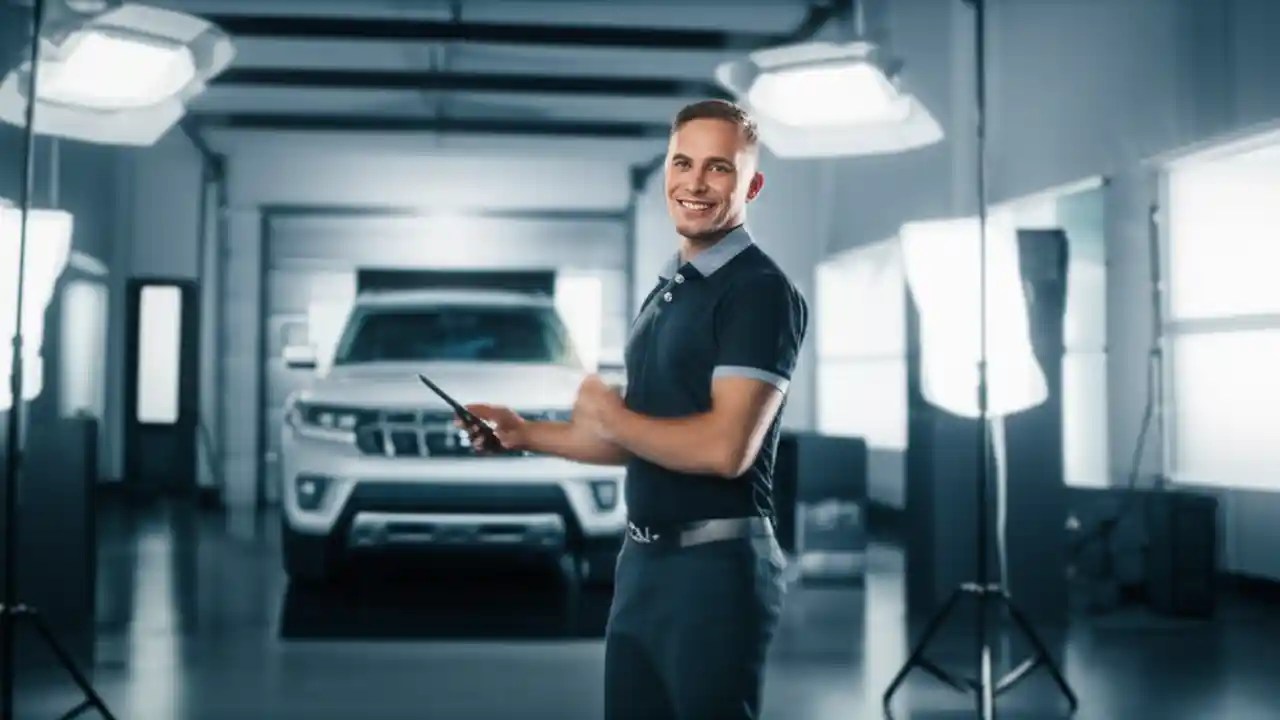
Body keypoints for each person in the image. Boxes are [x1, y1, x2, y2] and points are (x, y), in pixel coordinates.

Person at [460, 98, 808, 720]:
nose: (695, 182)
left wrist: (608, 412)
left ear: (751, 183)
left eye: (718, 168)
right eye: (682, 162)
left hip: (714, 569)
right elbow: (648, 436)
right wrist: (523, 433)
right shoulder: (671, 287)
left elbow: (725, 449)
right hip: (644, 562)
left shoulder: (758, 291)